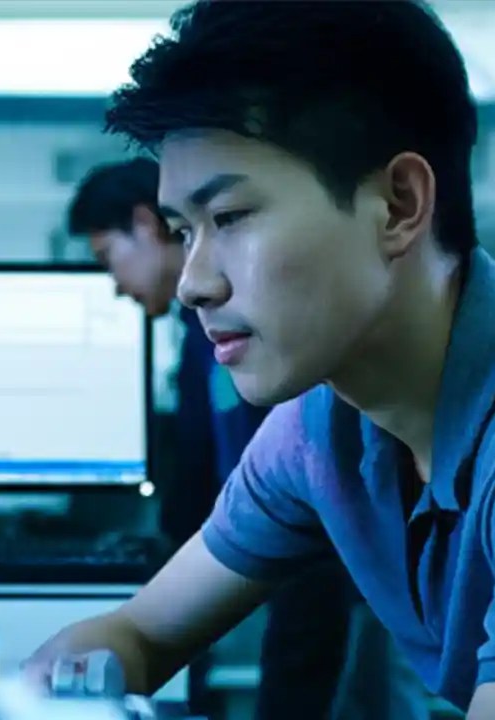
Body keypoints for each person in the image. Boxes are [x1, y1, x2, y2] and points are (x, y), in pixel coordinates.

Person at [24, 2, 495, 718]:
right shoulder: (320, 429)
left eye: (233, 218)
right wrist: (45, 689)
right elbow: (141, 631)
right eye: (184, 232)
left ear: (399, 205)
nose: (193, 282)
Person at [68, 159, 424, 719]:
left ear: (143, 225)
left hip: (336, 573)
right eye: (187, 233)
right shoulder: (202, 335)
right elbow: (205, 467)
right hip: (277, 562)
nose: (114, 286)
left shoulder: (265, 340)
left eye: (107, 258)